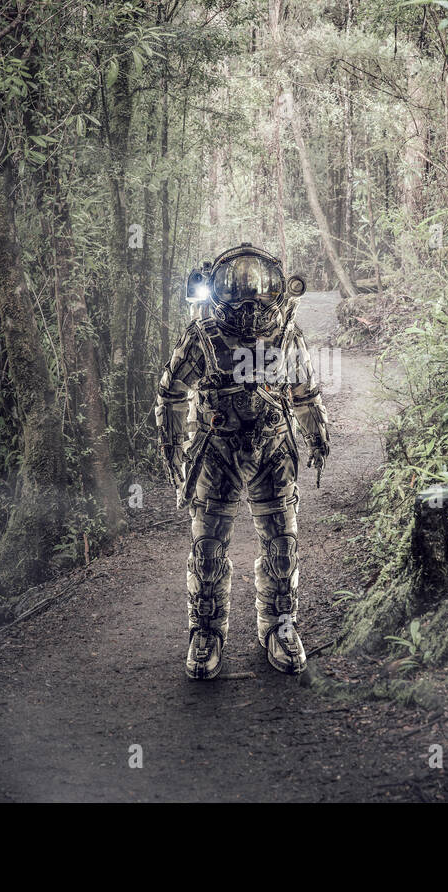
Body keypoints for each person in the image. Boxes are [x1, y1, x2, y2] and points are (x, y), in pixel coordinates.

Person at [154, 243, 330, 679]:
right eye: (239, 288)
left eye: (259, 288)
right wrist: (173, 444)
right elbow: (172, 390)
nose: (250, 301)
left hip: (273, 449)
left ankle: (279, 627)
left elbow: (304, 390)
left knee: (282, 546)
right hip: (217, 451)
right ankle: (206, 632)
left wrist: (316, 433)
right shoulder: (203, 334)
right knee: (208, 549)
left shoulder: (287, 332)